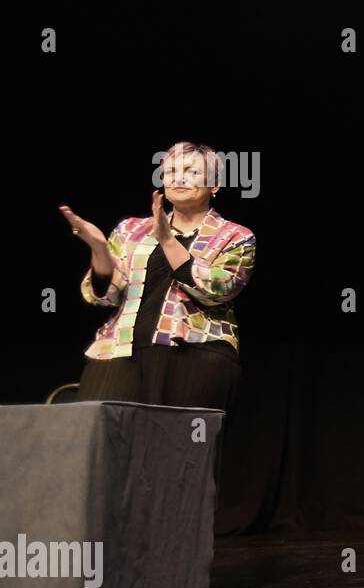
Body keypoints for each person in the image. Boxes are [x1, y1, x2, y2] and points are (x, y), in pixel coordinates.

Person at [60, 141, 255, 413]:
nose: (179, 177)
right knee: (102, 444)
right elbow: (107, 296)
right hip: (120, 350)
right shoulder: (131, 230)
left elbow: (216, 291)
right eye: (171, 171)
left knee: (176, 450)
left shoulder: (235, 236)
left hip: (196, 354)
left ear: (215, 185)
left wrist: (167, 240)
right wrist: (100, 249)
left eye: (190, 171)